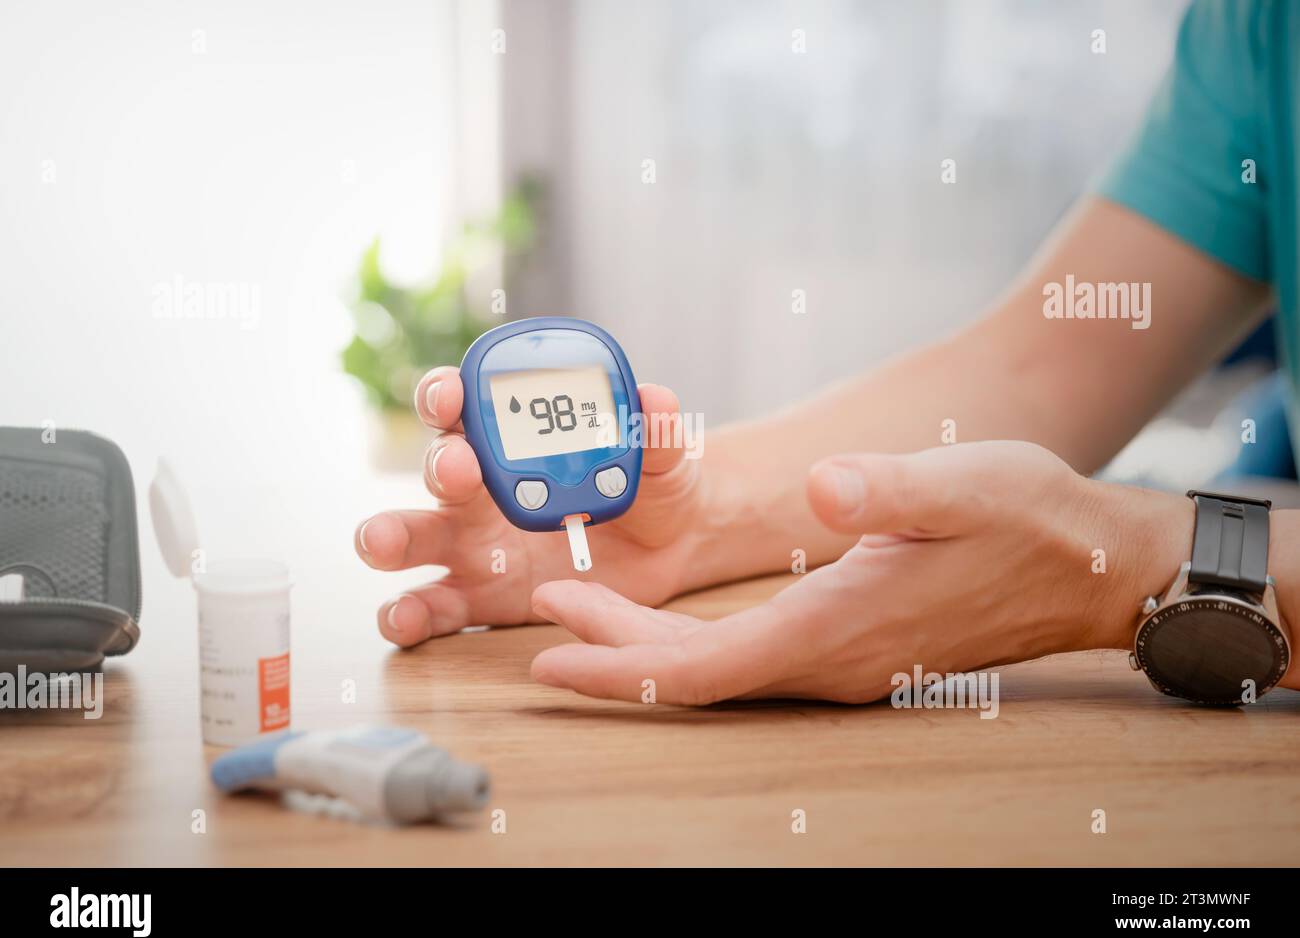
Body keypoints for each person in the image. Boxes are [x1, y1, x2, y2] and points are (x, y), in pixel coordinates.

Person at [354, 0, 1300, 705]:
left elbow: (1100, 520)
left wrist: (1132, 558)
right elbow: (1041, 366)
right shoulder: (1255, 27)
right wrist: (703, 518)